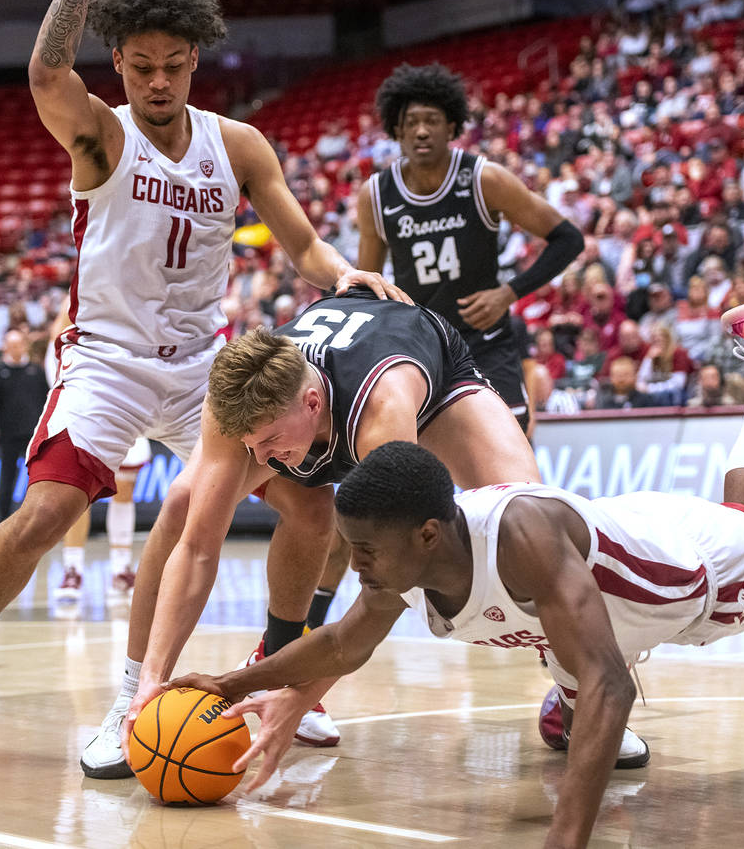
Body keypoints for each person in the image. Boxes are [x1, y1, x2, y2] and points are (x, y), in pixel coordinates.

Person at [0, 0, 401, 760]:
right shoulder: (102, 132)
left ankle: (276, 665)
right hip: (107, 360)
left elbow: (306, 245)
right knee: (48, 512)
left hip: (203, 373)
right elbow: (47, 71)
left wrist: (346, 272)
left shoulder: (239, 146)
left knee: (312, 507)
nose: (159, 81)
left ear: (195, 62)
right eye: (142, 66)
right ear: (118, 63)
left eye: (174, 67)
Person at [164, 294, 744, 849]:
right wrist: (229, 685)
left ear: (427, 535)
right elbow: (339, 642)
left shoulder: (520, 535)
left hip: (701, 577)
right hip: (592, 574)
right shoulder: (406, 557)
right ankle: (566, 692)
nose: (358, 565)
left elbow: (613, 682)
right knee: (572, 690)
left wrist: (564, 838)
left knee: (742, 532)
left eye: (365, 552)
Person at [111, 291, 542, 778]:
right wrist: (154, 680)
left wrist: (298, 695)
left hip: (433, 386)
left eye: (270, 442)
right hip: (319, 378)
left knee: (527, 523)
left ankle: (574, 693)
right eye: (253, 447)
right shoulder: (242, 405)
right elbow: (197, 550)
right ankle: (132, 691)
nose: (264, 460)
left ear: (312, 403)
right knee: (186, 504)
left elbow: (397, 578)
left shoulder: (382, 410)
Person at [358, 63, 584, 432]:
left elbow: (569, 239)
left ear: (452, 126)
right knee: (416, 453)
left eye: (432, 120)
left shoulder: (485, 179)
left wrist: (508, 293)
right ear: (396, 130)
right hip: (420, 343)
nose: (421, 130)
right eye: (411, 121)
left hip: (485, 339)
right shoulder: (376, 195)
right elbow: (366, 287)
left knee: (513, 443)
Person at [43, 302, 150, 599]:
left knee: (124, 491)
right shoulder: (74, 334)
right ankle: (73, 569)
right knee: (80, 495)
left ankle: (120, 569)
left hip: (127, 406)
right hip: (87, 410)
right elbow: (57, 332)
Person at [0, 330, 50, 521]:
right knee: (7, 479)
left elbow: (48, 401)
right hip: (9, 435)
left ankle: (39, 518)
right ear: (5, 347)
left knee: (38, 479)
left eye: (18, 345)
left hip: (34, 436)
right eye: (12, 345)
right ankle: (3, 520)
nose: (16, 349)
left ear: (24, 346)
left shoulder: (36, 372)